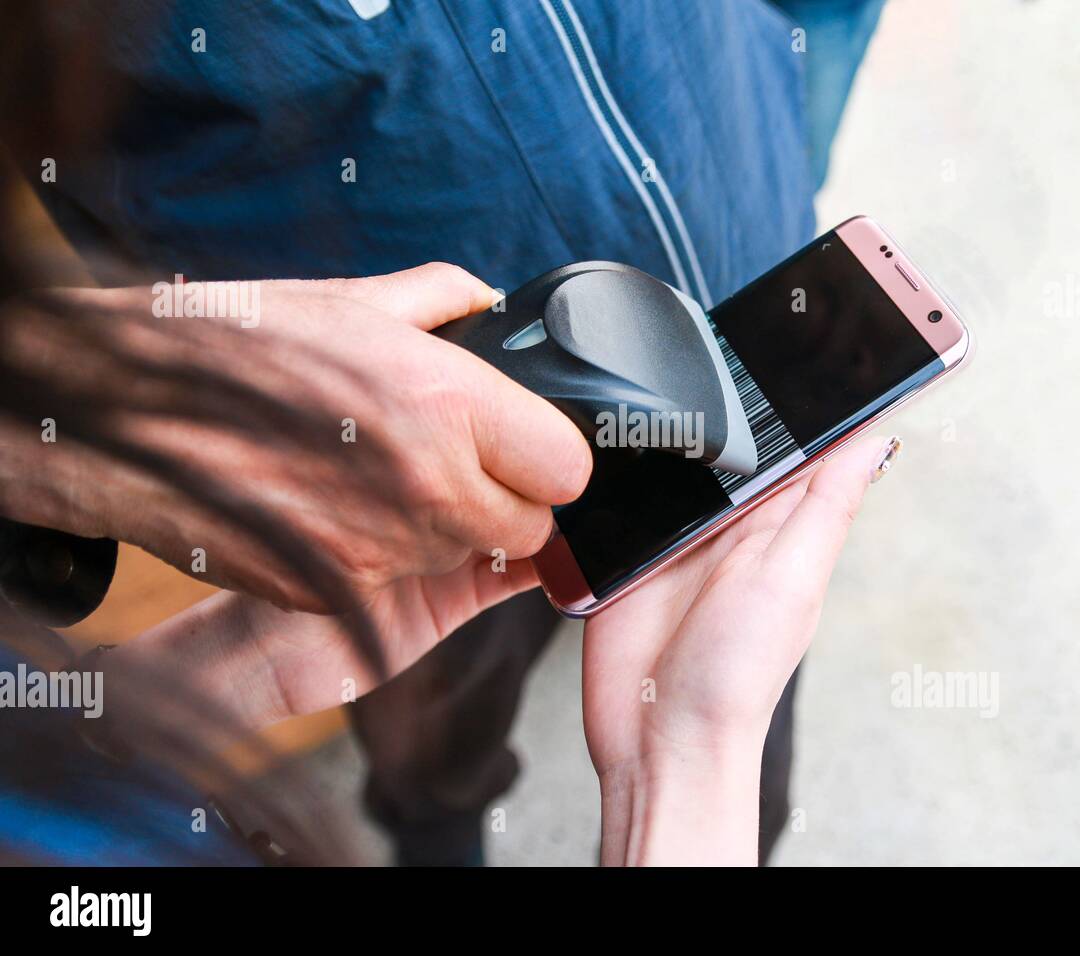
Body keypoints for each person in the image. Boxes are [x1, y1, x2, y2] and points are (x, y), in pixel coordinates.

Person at [11, 0, 891, 864]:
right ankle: (436, 828)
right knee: (435, 733)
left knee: (738, 683)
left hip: (737, 267)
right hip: (395, 455)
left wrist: (782, 84)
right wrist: (105, 399)